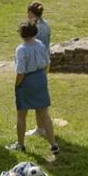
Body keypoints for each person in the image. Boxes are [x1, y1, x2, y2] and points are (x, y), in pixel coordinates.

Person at [13, 20, 58, 159]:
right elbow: (47, 63)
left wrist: (17, 85)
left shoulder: (21, 49)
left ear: (22, 34)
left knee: (21, 115)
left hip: (26, 80)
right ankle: (53, 144)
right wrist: (42, 77)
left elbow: (21, 71)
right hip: (40, 78)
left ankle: (20, 144)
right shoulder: (40, 44)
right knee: (44, 113)